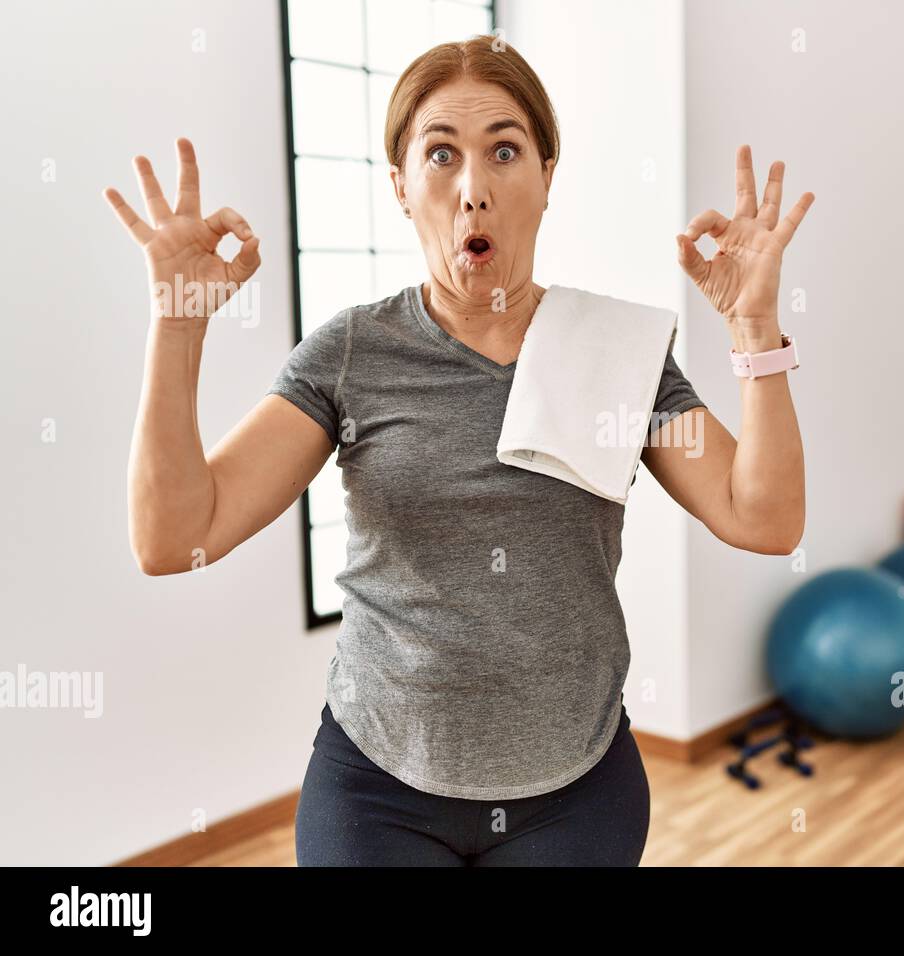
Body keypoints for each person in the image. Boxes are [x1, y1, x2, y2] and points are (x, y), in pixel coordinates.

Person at [102, 34, 813, 867]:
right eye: (441, 155)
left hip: (575, 794)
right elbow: (173, 535)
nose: (473, 189)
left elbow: (764, 518)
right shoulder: (351, 354)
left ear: (548, 175)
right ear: (403, 187)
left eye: (505, 151)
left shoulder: (616, 354)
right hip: (376, 789)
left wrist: (755, 334)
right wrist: (179, 324)